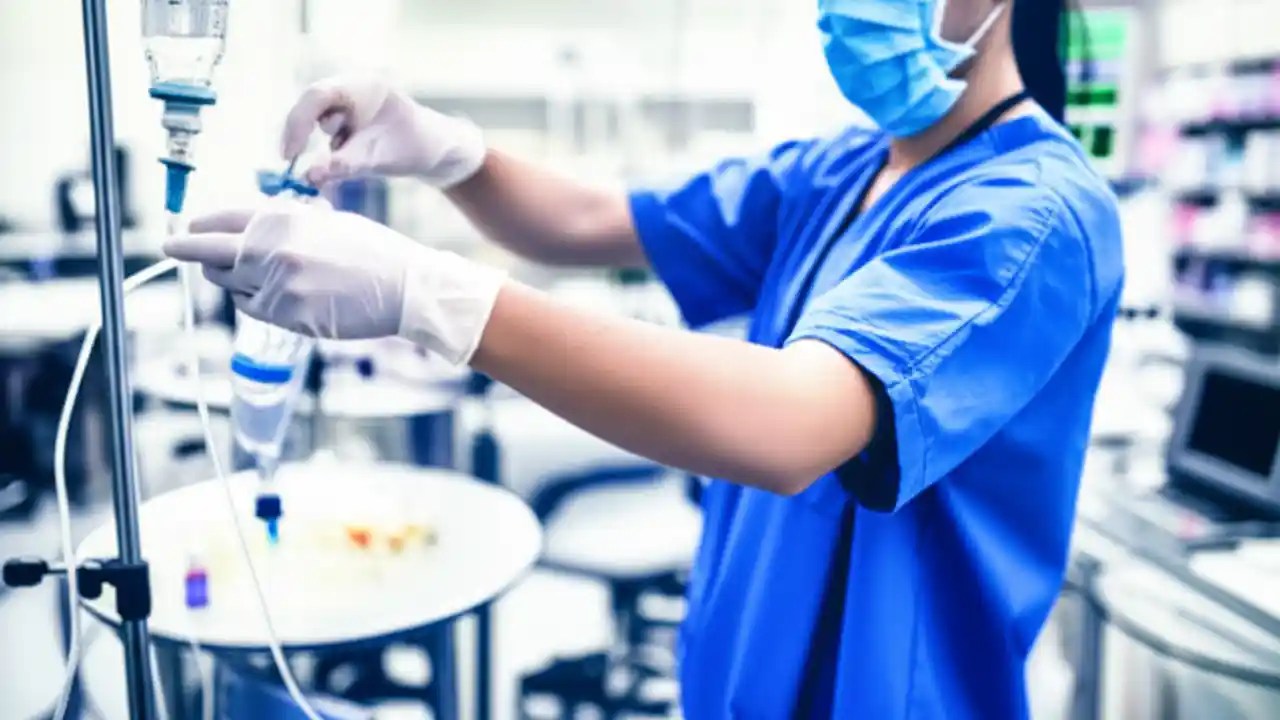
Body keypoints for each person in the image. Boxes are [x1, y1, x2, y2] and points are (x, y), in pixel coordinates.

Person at [167, 0, 1123, 717]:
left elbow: (792, 424)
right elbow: (590, 222)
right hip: (738, 664)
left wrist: (430, 297)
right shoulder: (843, 169)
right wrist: (445, 151)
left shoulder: (1034, 214)